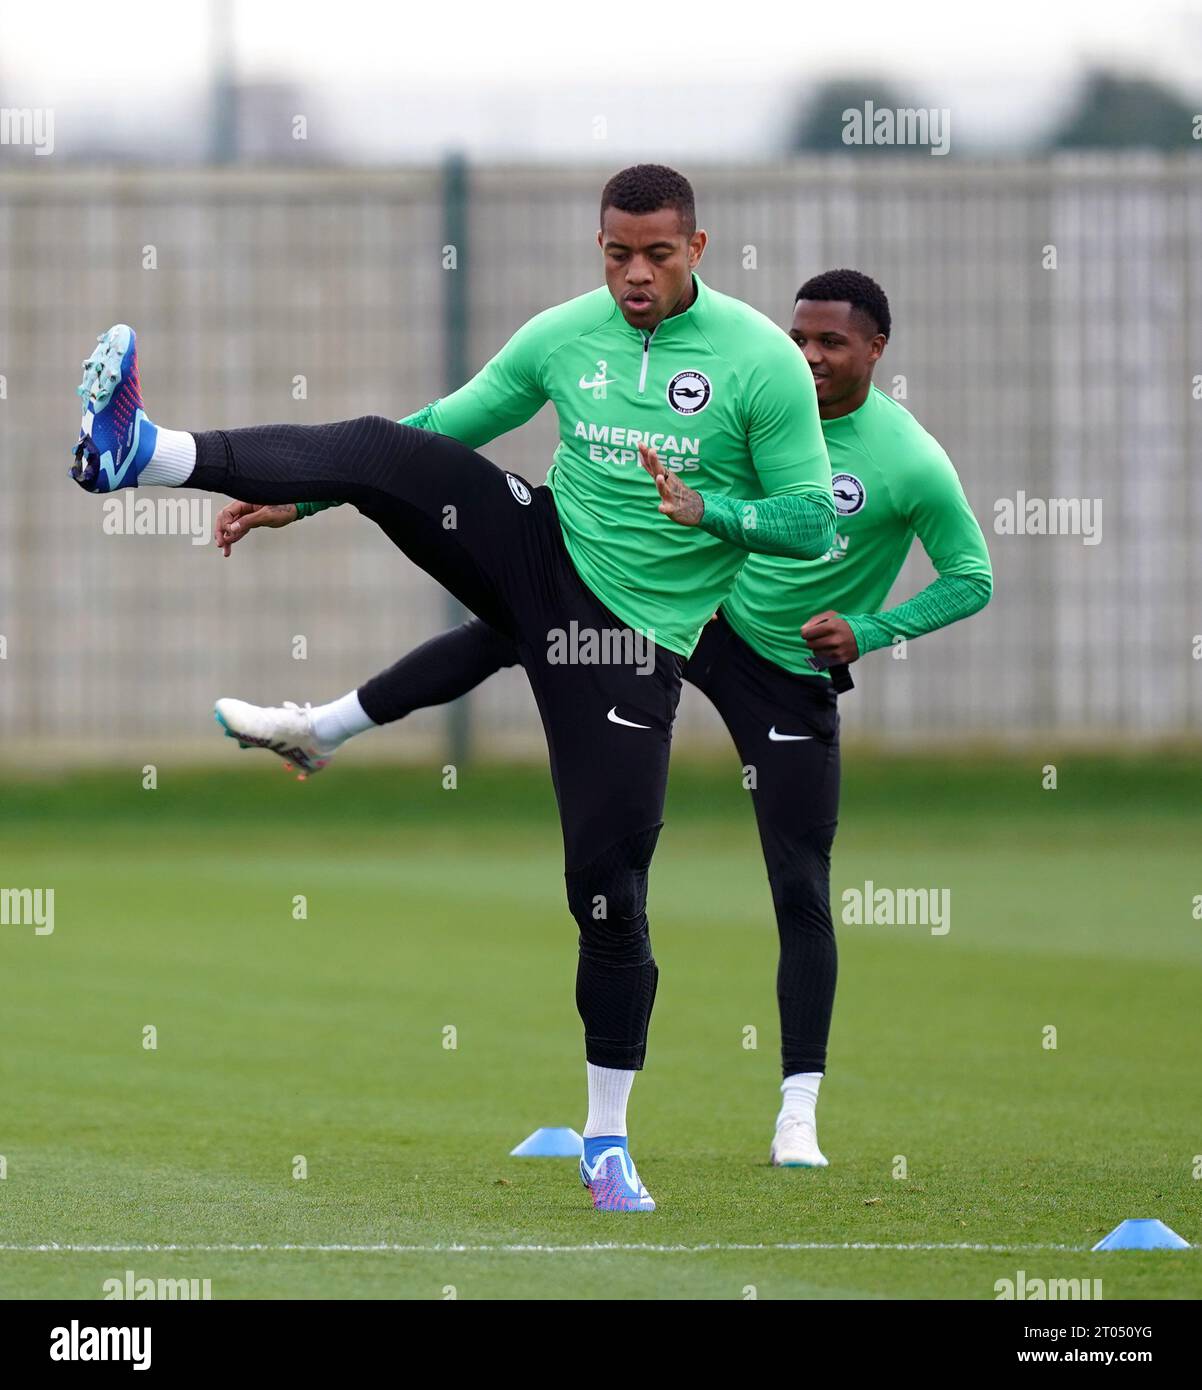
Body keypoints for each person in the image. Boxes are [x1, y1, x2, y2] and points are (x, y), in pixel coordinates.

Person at [69, 164, 836, 1211]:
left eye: (657, 254)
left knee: (606, 892)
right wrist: (301, 499)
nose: (635, 275)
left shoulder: (759, 363)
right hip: (533, 550)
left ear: (696, 250)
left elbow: (809, 521)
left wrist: (711, 515)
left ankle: (605, 1141)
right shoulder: (565, 334)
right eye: (616, 254)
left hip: (624, 643)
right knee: (386, 445)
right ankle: (146, 451)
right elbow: (446, 429)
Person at [212, 270, 993, 1168]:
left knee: (801, 880)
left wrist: (872, 628)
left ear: (876, 352)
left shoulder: (910, 461)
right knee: (519, 626)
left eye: (833, 345)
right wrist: (313, 494)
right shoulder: (755, 389)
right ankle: (324, 729)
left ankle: (797, 1112)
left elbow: (971, 576)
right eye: (801, 339)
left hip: (781, 667)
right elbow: (454, 425)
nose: (810, 358)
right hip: (691, 617)